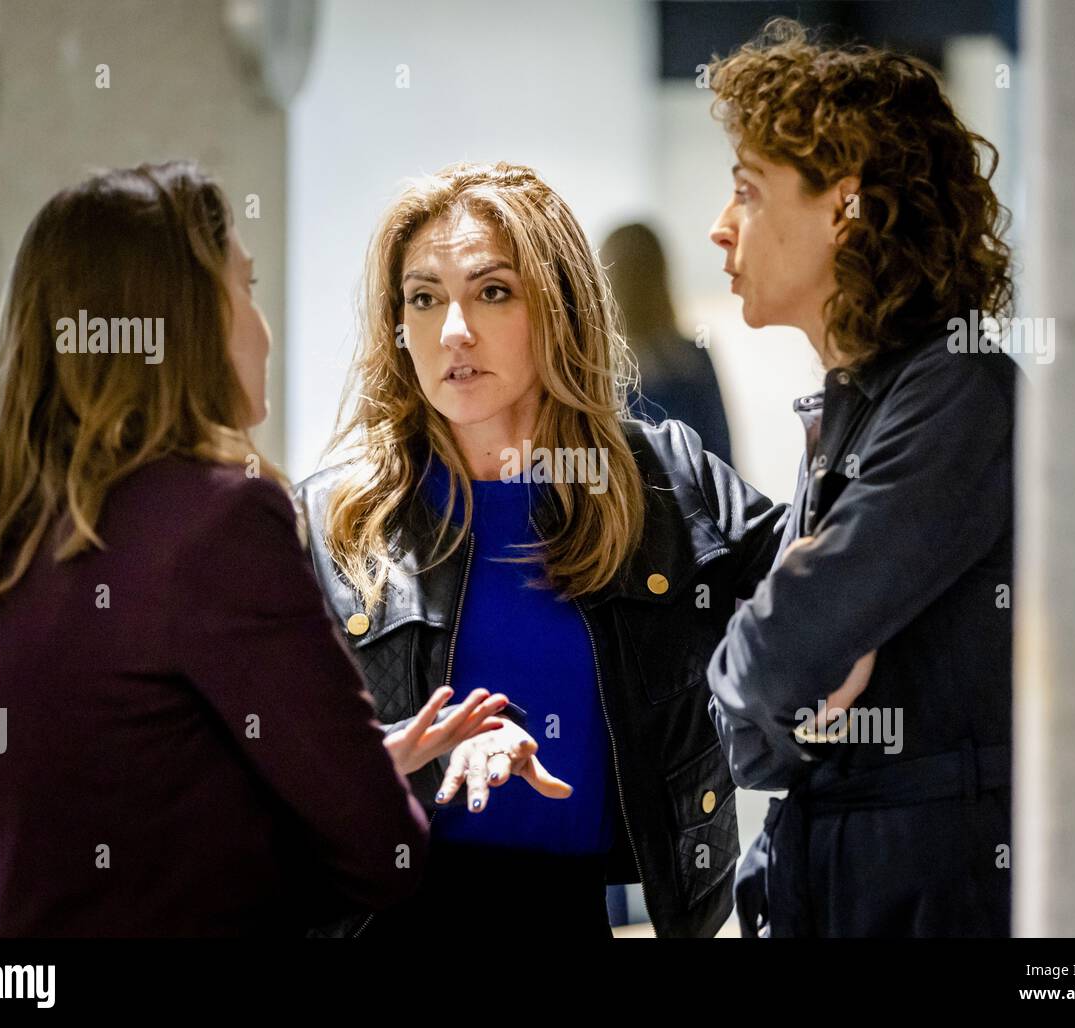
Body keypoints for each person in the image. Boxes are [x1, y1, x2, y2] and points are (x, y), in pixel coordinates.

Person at [0, 160, 507, 936]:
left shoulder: (0, 537)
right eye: (246, 287)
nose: (261, 328)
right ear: (184, 319)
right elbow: (383, 853)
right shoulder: (220, 522)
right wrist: (355, 792)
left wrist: (342, 765)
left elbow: (132, 819)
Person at [294, 160, 855, 938]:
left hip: (577, 913)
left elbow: (828, 605)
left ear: (556, 308)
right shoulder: (331, 518)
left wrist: (849, 384)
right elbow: (261, 766)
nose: (453, 330)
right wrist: (395, 757)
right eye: (423, 299)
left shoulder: (660, 480)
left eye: (493, 292)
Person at [704, 19, 1017, 937]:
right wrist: (794, 711)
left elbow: (777, 651)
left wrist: (782, 685)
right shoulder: (862, 405)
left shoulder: (962, 391)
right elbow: (751, 730)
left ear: (845, 208)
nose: (721, 227)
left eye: (749, 193)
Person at [602, 222, 734, 467]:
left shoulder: (593, 369)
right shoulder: (691, 359)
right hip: (695, 502)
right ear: (662, 275)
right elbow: (722, 460)